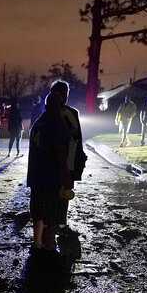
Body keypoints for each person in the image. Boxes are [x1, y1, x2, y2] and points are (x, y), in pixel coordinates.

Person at [27, 91, 72, 251]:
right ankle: (48, 244)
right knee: (51, 209)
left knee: (37, 209)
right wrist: (66, 176)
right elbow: (61, 153)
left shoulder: (38, 123)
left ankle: (37, 242)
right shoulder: (57, 124)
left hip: (36, 174)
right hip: (51, 175)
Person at [46, 80, 86, 233]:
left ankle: (57, 223)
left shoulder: (68, 112)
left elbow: (77, 137)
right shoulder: (67, 113)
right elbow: (76, 137)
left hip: (62, 159)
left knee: (61, 192)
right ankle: (58, 223)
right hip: (64, 158)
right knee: (62, 191)